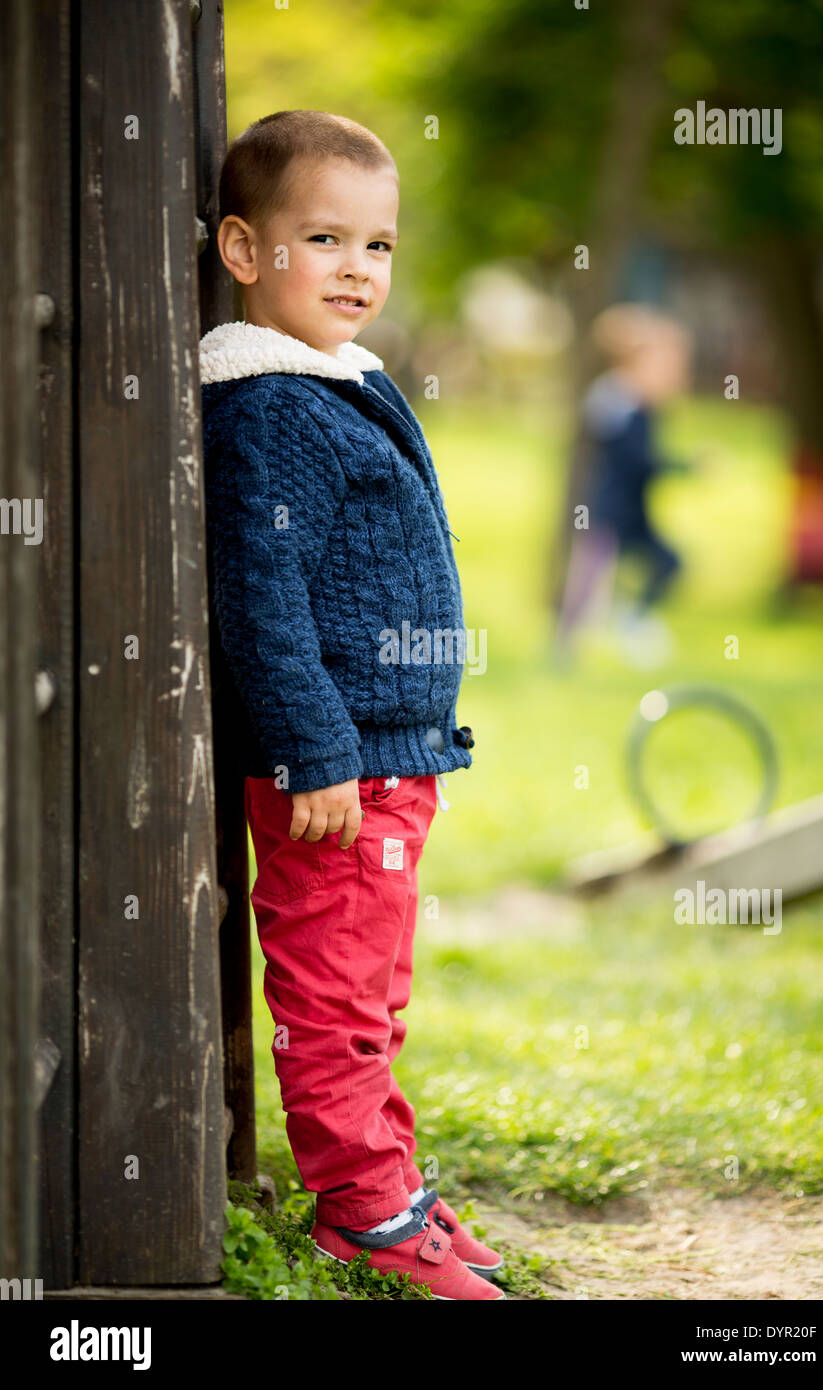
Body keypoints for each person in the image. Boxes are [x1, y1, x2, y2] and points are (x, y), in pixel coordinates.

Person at [199, 110, 504, 1300]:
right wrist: (315, 749)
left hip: (388, 757)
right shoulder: (269, 409)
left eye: (376, 246)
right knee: (336, 997)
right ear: (241, 249)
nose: (356, 269)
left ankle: (392, 1182)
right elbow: (260, 602)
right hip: (336, 773)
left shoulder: (326, 382)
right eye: (321, 238)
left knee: (374, 990)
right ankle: (362, 1214)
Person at [556, 304, 693, 666]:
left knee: (669, 563)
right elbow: (637, 459)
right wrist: (685, 466)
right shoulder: (616, 402)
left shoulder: (640, 405)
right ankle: (564, 650)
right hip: (608, 510)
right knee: (589, 582)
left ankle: (632, 619)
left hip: (634, 512)